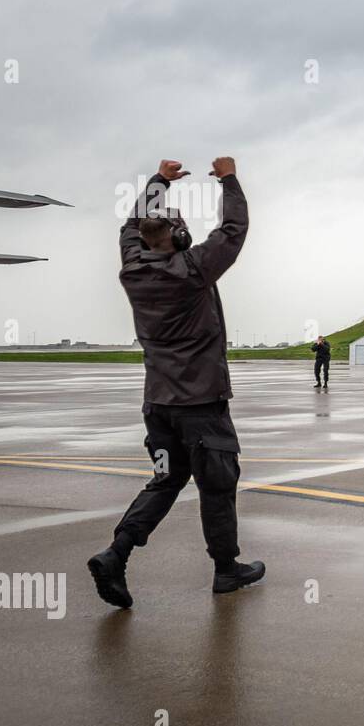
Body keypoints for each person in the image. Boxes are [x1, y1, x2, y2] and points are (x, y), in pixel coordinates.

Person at [87, 158, 265, 609]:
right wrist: (228, 178)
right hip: (201, 404)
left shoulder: (132, 268)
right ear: (180, 237)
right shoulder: (191, 270)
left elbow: (133, 225)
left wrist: (158, 182)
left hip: (158, 405)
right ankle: (226, 569)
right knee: (217, 486)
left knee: (165, 480)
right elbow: (233, 230)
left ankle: (116, 553)